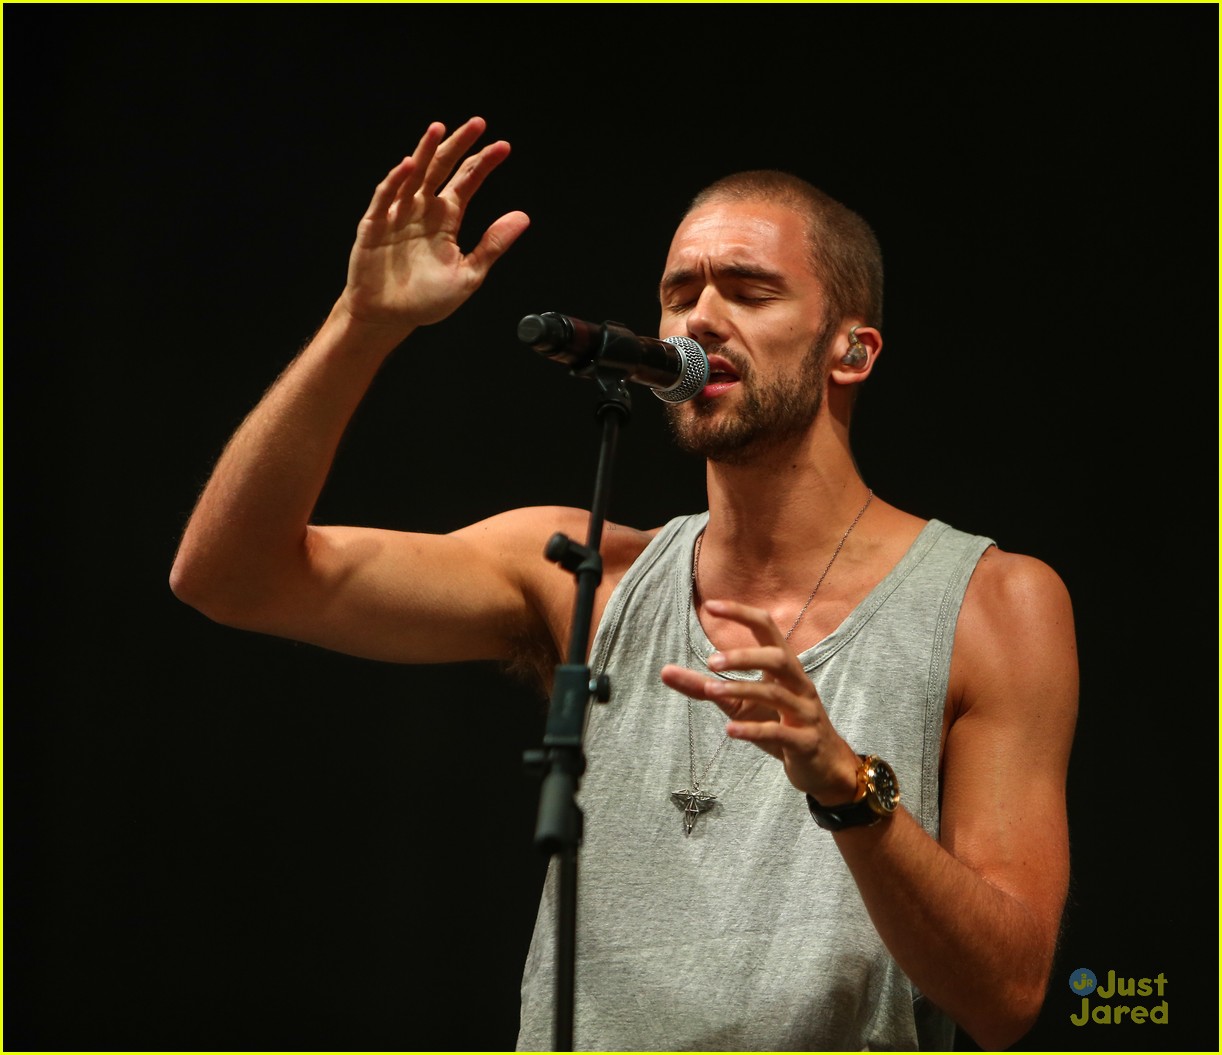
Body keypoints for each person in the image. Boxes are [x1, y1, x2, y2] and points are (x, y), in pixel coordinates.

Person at [170, 116, 1078, 1052]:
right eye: (679, 291)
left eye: (750, 291)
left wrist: (847, 785)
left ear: (852, 350)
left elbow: (1007, 994)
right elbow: (232, 576)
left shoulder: (993, 601)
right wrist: (362, 324)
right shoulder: (583, 569)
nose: (699, 318)